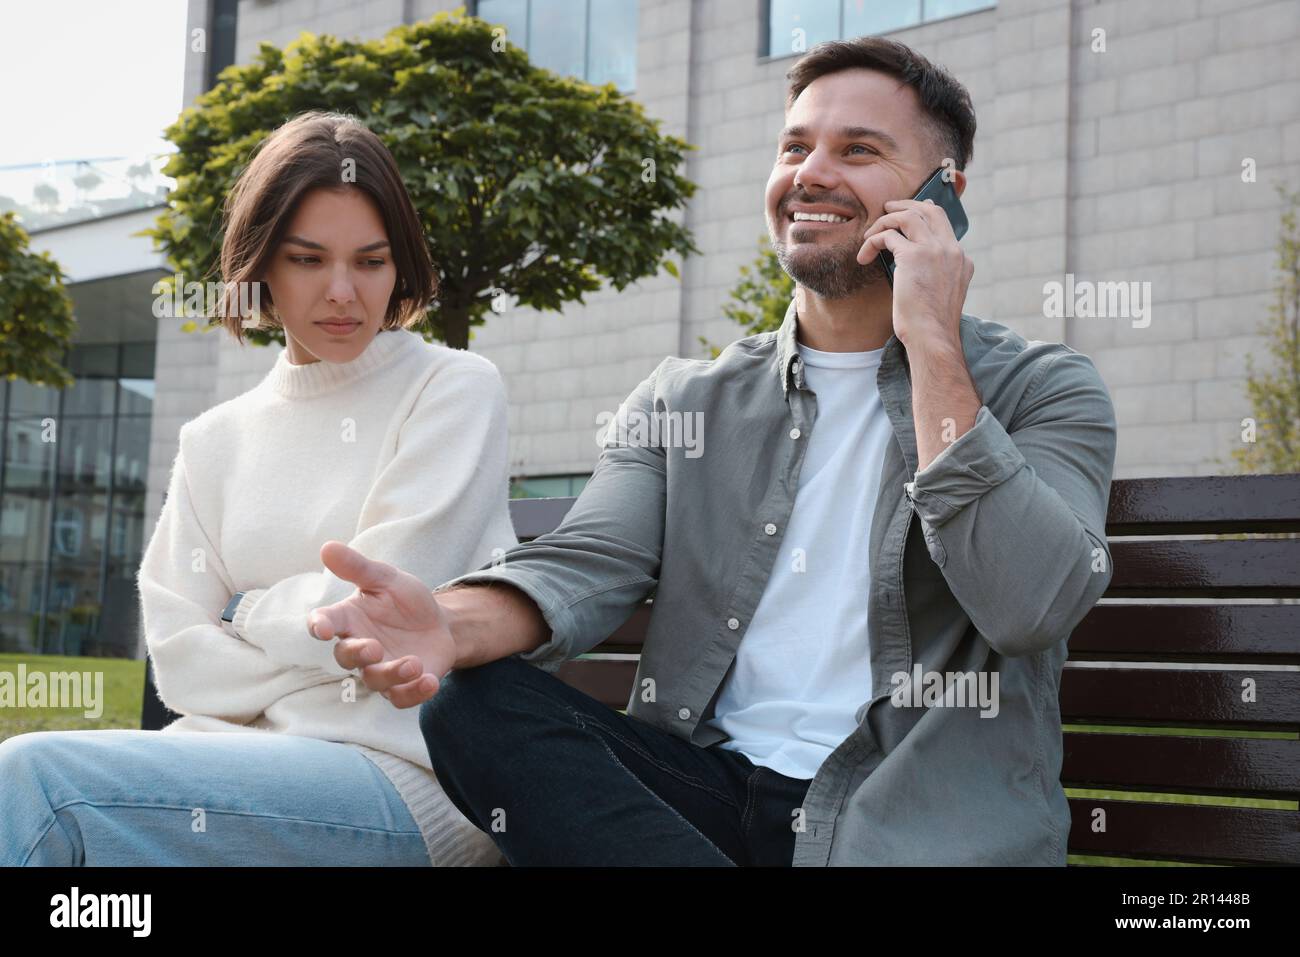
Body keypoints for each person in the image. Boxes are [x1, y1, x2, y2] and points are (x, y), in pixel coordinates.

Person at [309, 37, 1119, 866]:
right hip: (703, 805)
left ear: (942, 196)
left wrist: (933, 345)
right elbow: (586, 564)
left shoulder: (1043, 390)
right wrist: (446, 623)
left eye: (859, 151)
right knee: (469, 706)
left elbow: (1030, 606)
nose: (811, 173)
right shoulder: (683, 400)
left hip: (910, 827)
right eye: (795, 147)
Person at [0, 111, 513, 867]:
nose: (344, 292)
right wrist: (301, 633)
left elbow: (380, 618)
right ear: (262, 263)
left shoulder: (452, 388)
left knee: (35, 782)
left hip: (403, 779)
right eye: (309, 259)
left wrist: (242, 612)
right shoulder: (215, 438)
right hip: (221, 761)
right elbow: (178, 658)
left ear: (398, 266)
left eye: (370, 262)